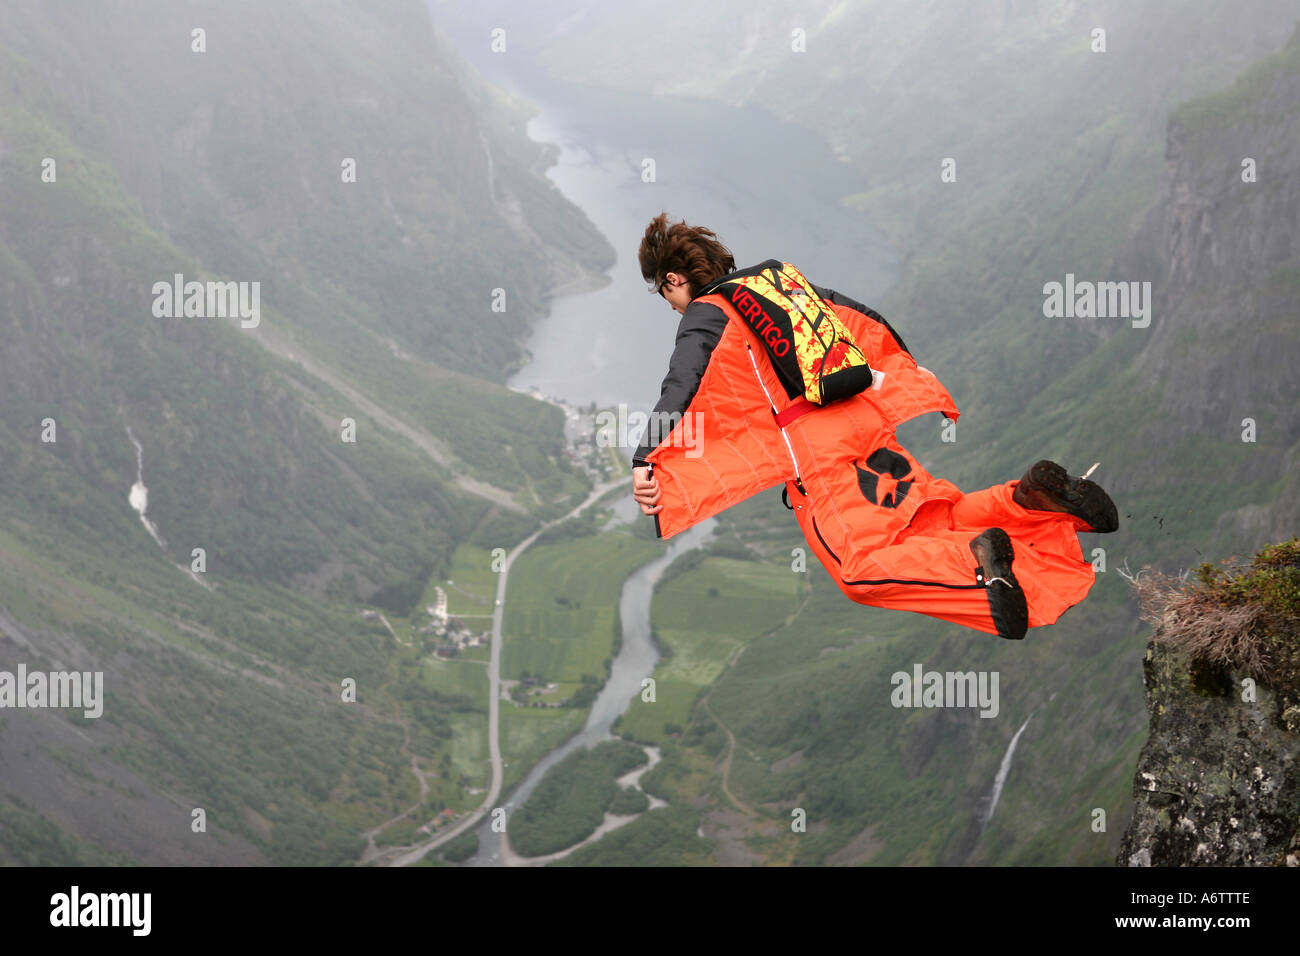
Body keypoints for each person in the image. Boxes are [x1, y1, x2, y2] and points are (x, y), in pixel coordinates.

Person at [630, 213, 1118, 641]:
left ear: (675, 278)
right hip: (864, 420)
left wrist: (644, 462)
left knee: (859, 571)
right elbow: (867, 323)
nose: (671, 306)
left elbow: (681, 387)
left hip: (817, 451)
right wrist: (910, 381)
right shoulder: (780, 291)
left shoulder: (706, 313)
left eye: (664, 294)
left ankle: (977, 568)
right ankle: (1027, 502)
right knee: (929, 518)